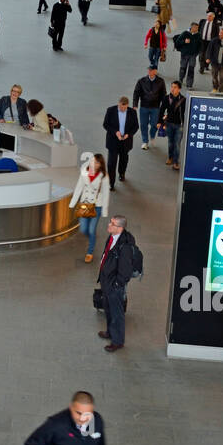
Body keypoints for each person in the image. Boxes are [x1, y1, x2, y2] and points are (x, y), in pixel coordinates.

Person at [96, 214, 137, 351]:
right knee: (108, 309)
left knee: (116, 313)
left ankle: (117, 341)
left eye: (112, 224)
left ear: (120, 228)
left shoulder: (125, 246)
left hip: (114, 285)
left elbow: (125, 271)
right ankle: (110, 331)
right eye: (110, 222)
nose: (109, 225)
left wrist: (117, 284)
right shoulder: (112, 237)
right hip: (107, 281)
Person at [70, 151, 109, 262]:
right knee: (83, 229)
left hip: (97, 206)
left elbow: (106, 194)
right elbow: (78, 188)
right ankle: (92, 238)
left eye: (97, 163)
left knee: (92, 230)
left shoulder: (104, 177)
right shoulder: (84, 173)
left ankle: (90, 252)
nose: (94, 164)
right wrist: (73, 203)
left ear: (101, 164)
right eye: (92, 162)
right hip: (84, 204)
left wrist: (104, 210)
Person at [103, 97, 139, 189]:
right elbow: (105, 124)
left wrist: (128, 134)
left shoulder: (132, 112)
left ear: (127, 105)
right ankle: (111, 183)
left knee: (123, 160)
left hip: (125, 141)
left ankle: (121, 173)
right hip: (113, 141)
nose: (122, 109)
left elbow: (136, 126)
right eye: (120, 107)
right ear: (118, 104)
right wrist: (116, 132)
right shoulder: (110, 110)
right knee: (111, 163)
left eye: (125, 108)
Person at [133, 66, 166, 149]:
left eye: (151, 70)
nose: (149, 71)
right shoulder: (141, 81)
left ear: (155, 71)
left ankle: (152, 136)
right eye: (148, 70)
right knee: (143, 124)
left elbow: (163, 94)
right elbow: (136, 93)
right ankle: (145, 141)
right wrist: (135, 104)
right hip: (144, 106)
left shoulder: (161, 82)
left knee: (155, 124)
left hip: (155, 107)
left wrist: (164, 107)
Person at [159, 81, 186, 170]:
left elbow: (186, 113)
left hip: (179, 126)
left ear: (179, 89)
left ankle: (176, 162)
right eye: (172, 87)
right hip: (169, 124)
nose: (172, 89)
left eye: (175, 87)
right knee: (170, 143)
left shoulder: (183, 100)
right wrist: (160, 122)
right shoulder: (167, 98)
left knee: (177, 144)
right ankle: (170, 157)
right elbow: (162, 110)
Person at [173, 20, 201, 89]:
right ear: (192, 27)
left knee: (191, 69)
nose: (197, 29)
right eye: (196, 28)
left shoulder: (198, 35)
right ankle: (180, 79)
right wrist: (184, 41)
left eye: (197, 28)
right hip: (184, 54)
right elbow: (177, 42)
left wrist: (197, 53)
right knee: (183, 68)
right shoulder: (185, 33)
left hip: (193, 55)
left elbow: (200, 45)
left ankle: (189, 85)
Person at [208, 28, 223, 93]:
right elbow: (209, 50)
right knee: (214, 76)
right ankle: (215, 87)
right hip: (214, 62)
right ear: (219, 33)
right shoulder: (214, 41)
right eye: (220, 33)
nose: (221, 34)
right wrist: (208, 58)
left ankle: (222, 90)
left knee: (222, 78)